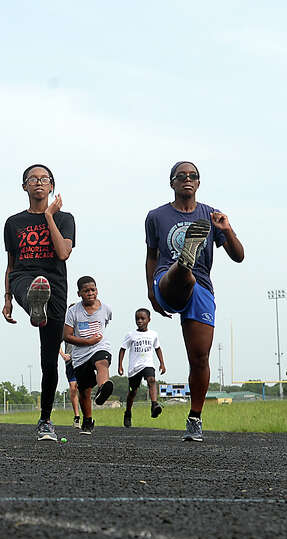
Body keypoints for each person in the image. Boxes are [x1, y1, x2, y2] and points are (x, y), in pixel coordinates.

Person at [146, 161, 245, 442]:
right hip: (166, 280)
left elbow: (238, 256)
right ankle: (183, 263)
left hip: (202, 288)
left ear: (199, 183)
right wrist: (151, 293)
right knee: (182, 276)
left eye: (193, 176)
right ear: (172, 183)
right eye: (181, 176)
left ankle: (194, 418)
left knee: (200, 358)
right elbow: (152, 256)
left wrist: (227, 229)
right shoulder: (156, 216)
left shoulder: (212, 215)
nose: (187, 180)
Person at [3, 164, 76, 442]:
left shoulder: (65, 218)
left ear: (51, 187)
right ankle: (34, 305)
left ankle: (45, 420)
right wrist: (8, 298)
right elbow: (10, 264)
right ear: (24, 187)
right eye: (32, 179)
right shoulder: (14, 223)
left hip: (55, 286)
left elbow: (62, 252)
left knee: (49, 361)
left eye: (44, 179)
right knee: (30, 286)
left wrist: (49, 216)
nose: (38, 183)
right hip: (25, 277)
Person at [63, 276, 114, 436]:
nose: (90, 293)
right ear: (79, 293)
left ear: (97, 290)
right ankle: (87, 419)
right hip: (80, 355)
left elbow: (104, 325)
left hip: (99, 347)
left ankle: (103, 387)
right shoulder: (73, 312)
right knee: (84, 391)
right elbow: (67, 336)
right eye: (86, 291)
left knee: (102, 363)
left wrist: (95, 342)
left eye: (93, 290)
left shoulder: (106, 309)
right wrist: (87, 341)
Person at [118, 308, 166, 428]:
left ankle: (154, 405)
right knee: (133, 392)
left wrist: (162, 363)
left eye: (142, 318)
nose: (139, 321)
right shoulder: (130, 335)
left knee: (152, 380)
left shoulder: (153, 334)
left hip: (148, 364)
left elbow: (157, 348)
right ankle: (128, 412)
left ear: (149, 320)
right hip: (134, 367)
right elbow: (122, 349)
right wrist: (120, 365)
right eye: (137, 319)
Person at [59, 345, 81, 428]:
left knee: (83, 388)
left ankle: (87, 417)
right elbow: (57, 341)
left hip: (82, 359)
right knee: (73, 388)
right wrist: (63, 355)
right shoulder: (65, 331)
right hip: (70, 362)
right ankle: (77, 417)